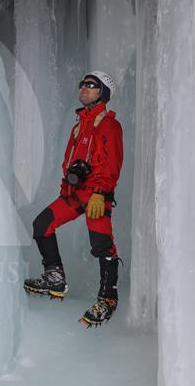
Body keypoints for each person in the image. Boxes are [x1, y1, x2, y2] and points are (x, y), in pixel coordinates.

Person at [23, 70, 124, 327]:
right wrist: (65, 188)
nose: (84, 88)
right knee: (42, 225)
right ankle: (54, 276)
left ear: (103, 92)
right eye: (83, 84)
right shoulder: (79, 125)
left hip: (95, 196)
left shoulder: (109, 125)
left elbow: (112, 163)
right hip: (74, 194)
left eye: (91, 85)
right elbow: (70, 163)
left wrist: (101, 193)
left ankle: (107, 298)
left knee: (102, 245)